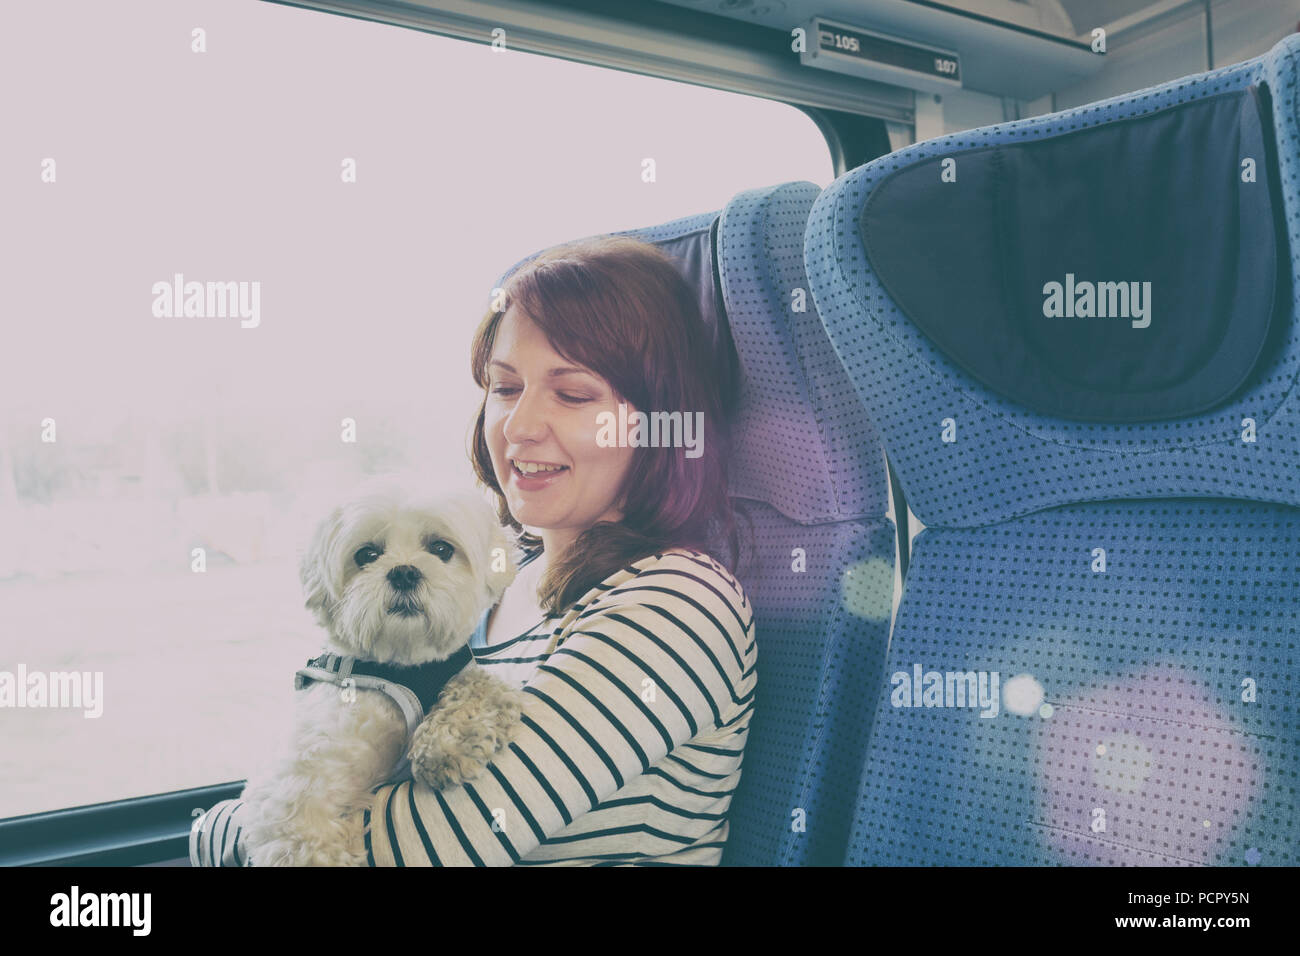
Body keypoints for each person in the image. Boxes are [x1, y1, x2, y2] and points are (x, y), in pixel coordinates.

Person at [191, 235, 757, 866]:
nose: (518, 427)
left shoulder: (674, 604)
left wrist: (216, 832)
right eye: (506, 388)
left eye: (572, 395)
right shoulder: (492, 576)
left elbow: (414, 852)